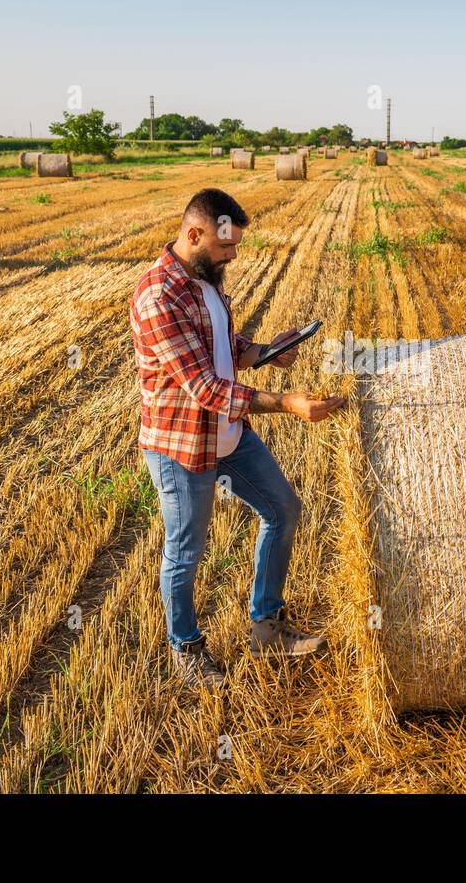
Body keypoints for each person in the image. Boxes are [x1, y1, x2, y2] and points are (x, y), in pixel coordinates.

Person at [130, 188, 346, 692]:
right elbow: (205, 388)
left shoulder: (205, 283)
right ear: (194, 234)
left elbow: (225, 350)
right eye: (226, 247)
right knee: (186, 550)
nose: (233, 255)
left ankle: (266, 627)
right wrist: (287, 403)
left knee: (284, 509)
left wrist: (269, 351)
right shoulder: (159, 295)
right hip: (182, 446)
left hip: (228, 436)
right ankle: (185, 647)